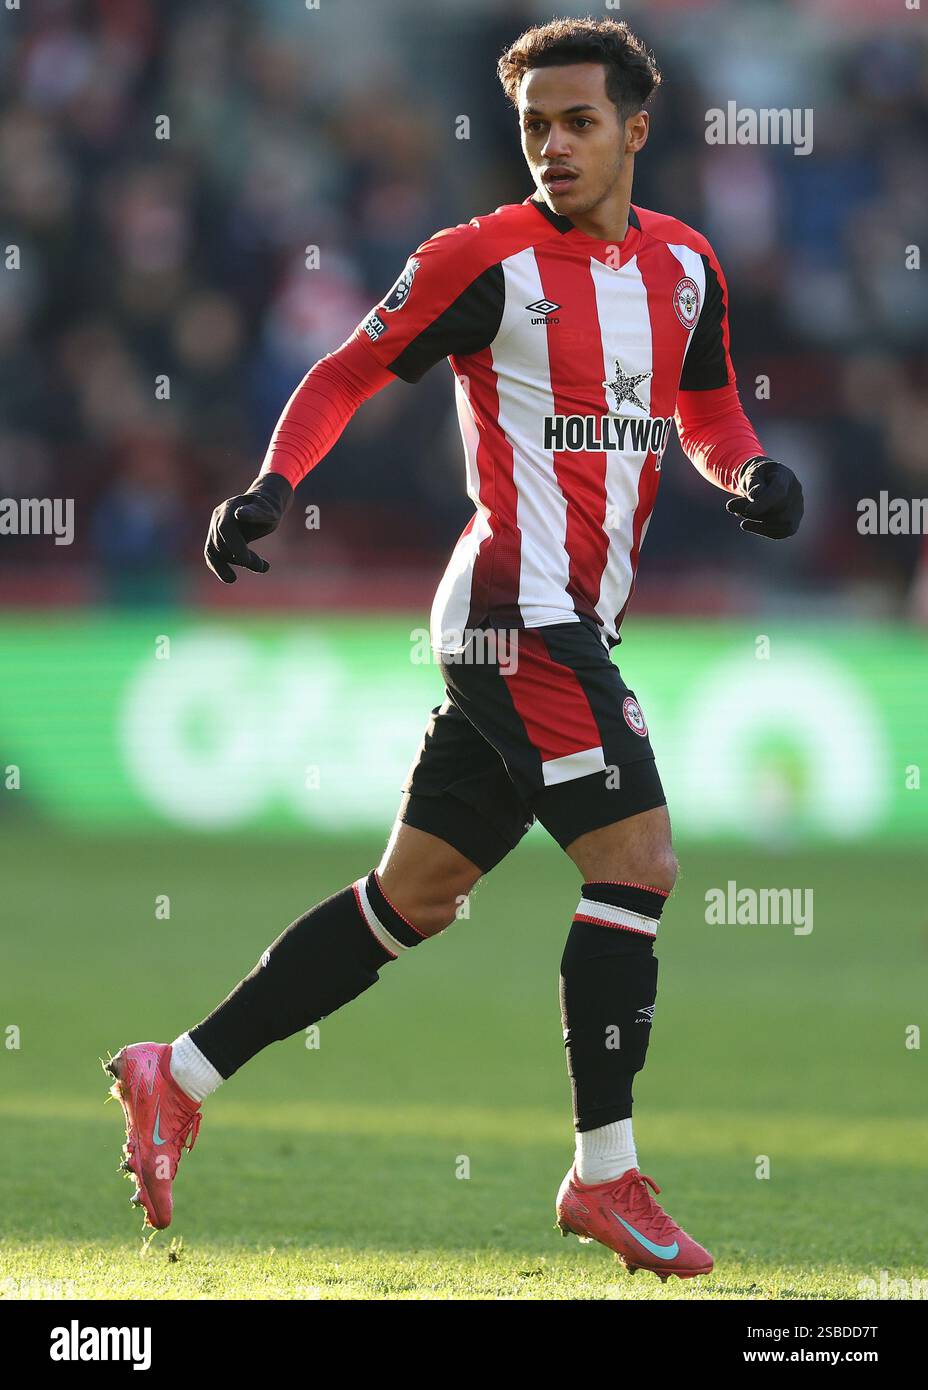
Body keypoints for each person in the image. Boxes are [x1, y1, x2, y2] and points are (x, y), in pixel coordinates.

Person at [106, 16, 802, 1282]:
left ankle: (178, 1069)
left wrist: (745, 469)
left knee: (413, 897)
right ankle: (605, 1178)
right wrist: (270, 486)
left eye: (578, 123)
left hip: (568, 618)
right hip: (506, 608)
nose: (552, 147)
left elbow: (704, 408)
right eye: (534, 125)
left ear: (634, 131)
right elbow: (344, 370)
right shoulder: (480, 259)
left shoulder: (688, 267)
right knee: (637, 860)